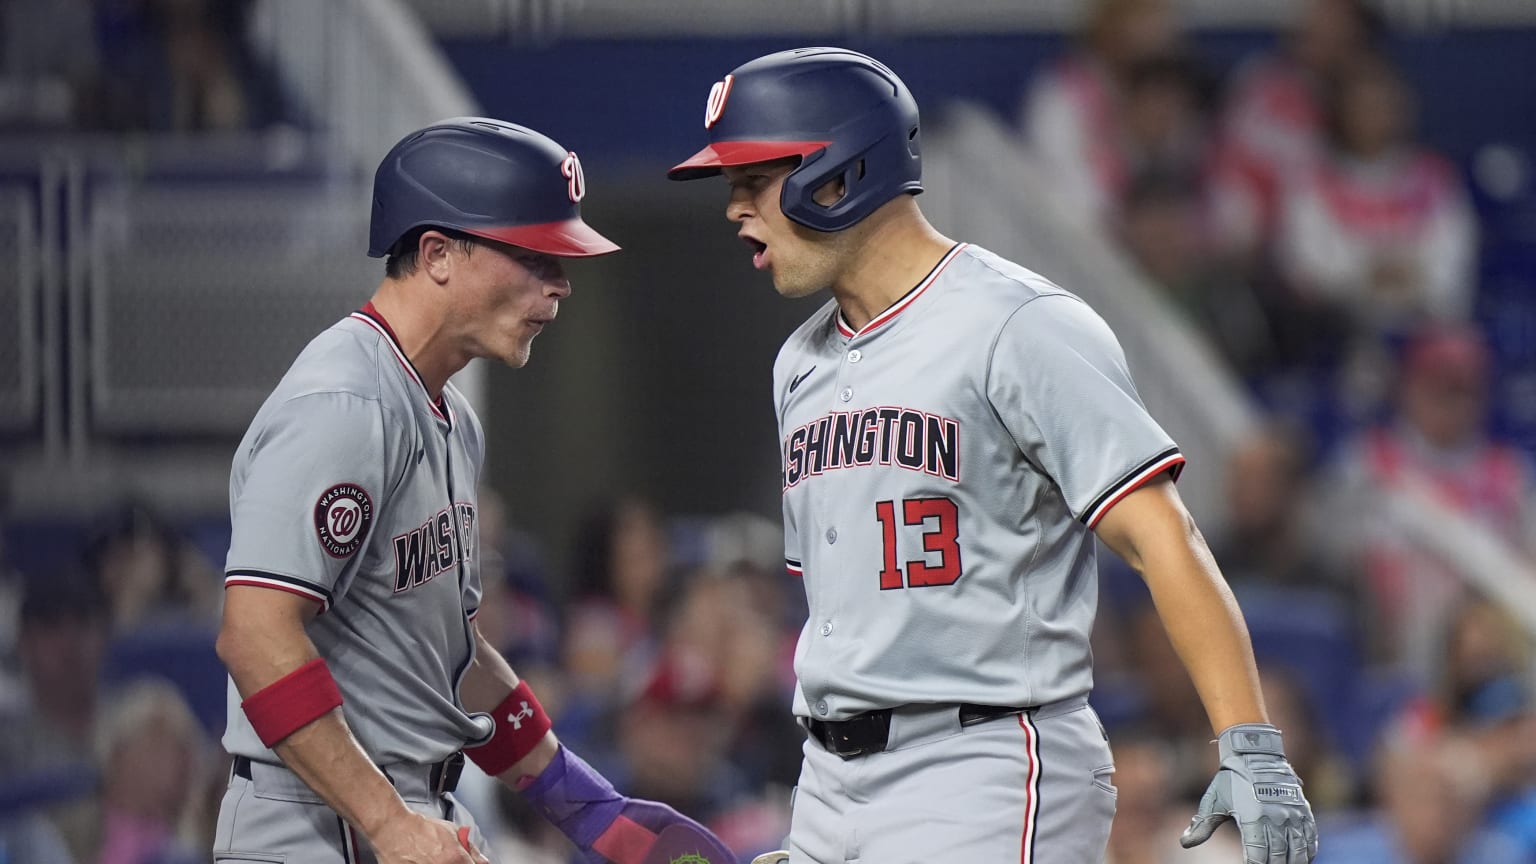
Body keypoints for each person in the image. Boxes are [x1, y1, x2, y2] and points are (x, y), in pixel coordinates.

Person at [669, 48, 1317, 863]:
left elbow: (1164, 538)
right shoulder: (797, 365)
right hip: (829, 782)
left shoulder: (1018, 324)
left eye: (751, 181)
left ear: (837, 169)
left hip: (981, 765)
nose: (735, 210)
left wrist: (1247, 739)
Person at [213, 117, 734, 864]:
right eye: (533, 255)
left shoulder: (451, 413)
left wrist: (587, 807)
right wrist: (390, 825)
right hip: (316, 819)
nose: (560, 284)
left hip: (413, 806)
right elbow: (255, 635)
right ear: (436, 254)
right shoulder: (344, 403)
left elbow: (448, 653)